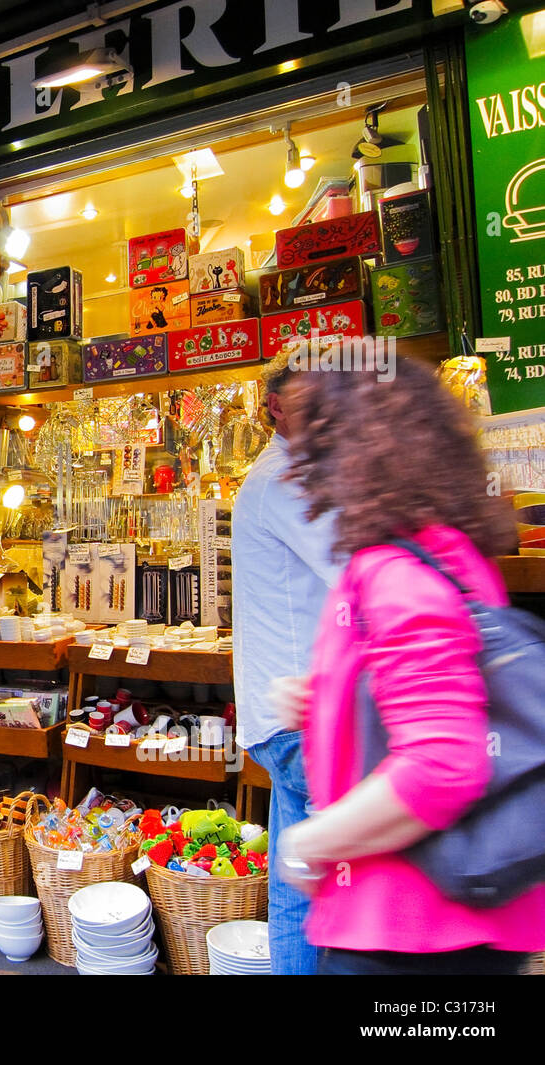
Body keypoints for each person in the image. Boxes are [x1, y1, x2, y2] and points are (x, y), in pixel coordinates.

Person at [277, 356, 545, 975]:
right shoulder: (455, 557)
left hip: (405, 929)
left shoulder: (394, 575)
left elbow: (442, 762)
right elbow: (449, 691)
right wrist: (329, 698)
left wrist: (306, 843)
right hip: (467, 923)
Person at [231, 351, 340, 975]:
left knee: (298, 891)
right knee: (341, 891)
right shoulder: (287, 479)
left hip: (291, 714)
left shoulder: (292, 475)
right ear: (276, 407)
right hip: (307, 719)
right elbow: (363, 568)